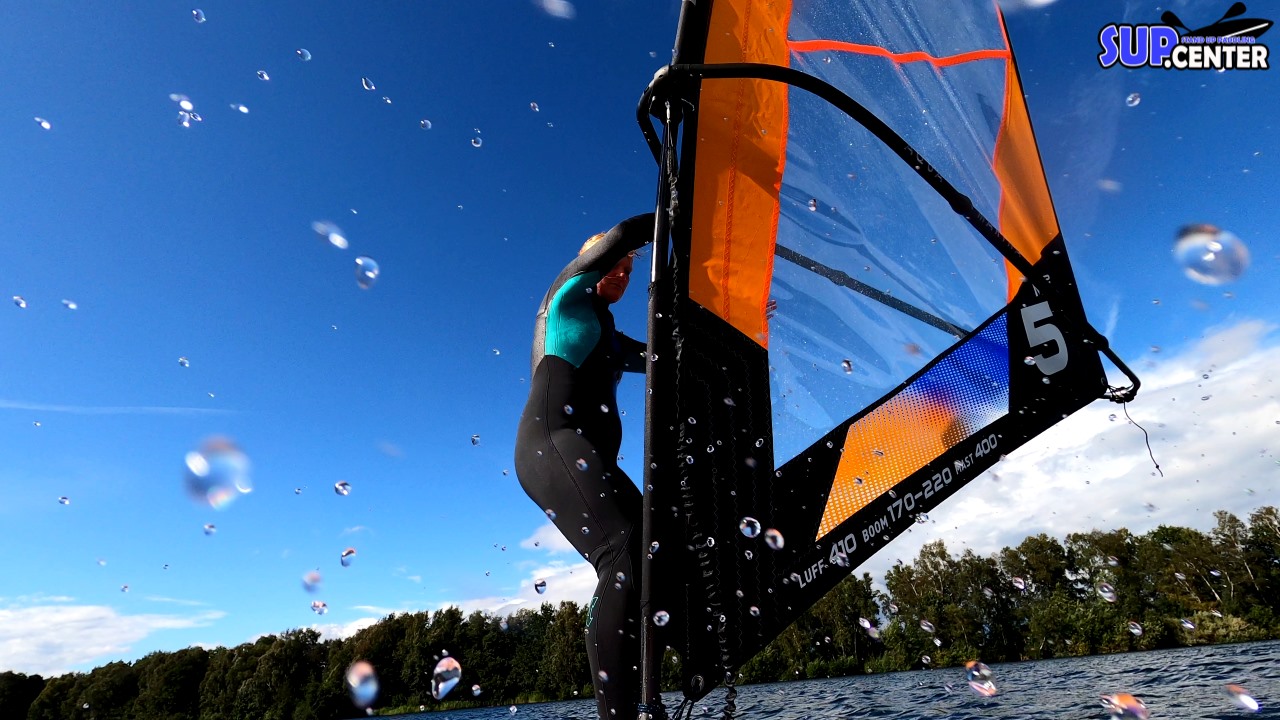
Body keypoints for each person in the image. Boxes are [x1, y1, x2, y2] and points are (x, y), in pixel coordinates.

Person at [514, 213, 653, 720]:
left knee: (655, 548)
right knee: (622, 553)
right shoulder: (564, 299)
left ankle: (648, 698)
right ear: (591, 263)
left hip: (588, 459)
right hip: (550, 445)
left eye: (630, 271)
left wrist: (744, 315)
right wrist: (677, 221)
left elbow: (672, 350)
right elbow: (620, 236)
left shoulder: (612, 336)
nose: (623, 274)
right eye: (616, 265)